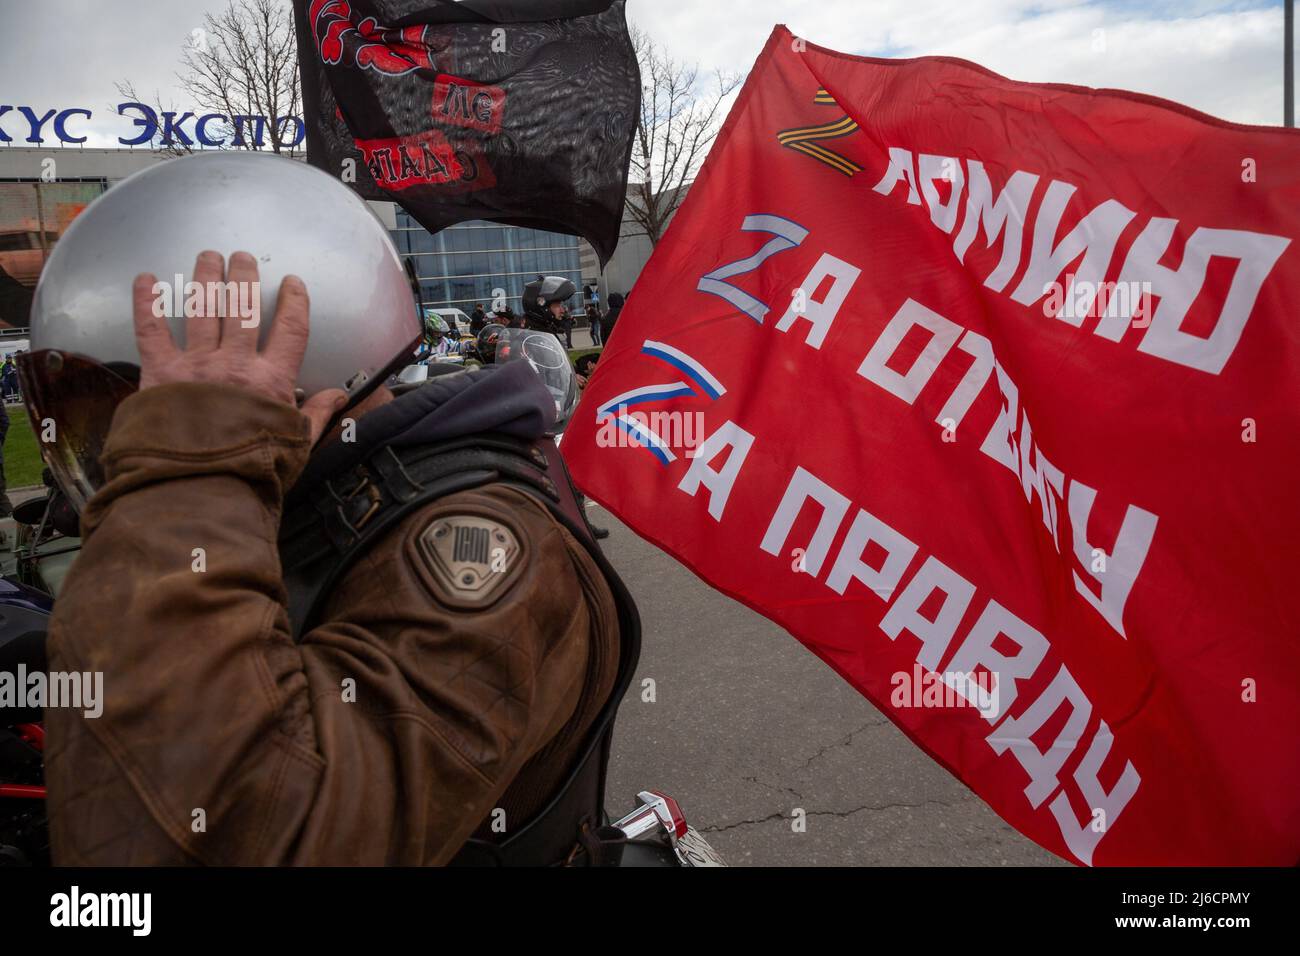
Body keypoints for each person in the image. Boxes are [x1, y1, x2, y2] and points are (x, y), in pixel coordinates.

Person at [23, 152, 637, 866]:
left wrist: (193, 468)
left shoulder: (481, 544)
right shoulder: (311, 491)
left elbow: (222, 836)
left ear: (298, 374)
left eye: (142, 416)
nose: (128, 451)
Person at [522, 275, 576, 339]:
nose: (562, 310)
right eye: (557, 306)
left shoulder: (547, 331)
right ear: (542, 306)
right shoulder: (532, 337)